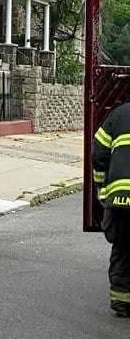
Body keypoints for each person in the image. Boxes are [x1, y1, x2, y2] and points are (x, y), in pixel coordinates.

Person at [92, 101, 130, 317]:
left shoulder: (118, 115)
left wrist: (102, 190)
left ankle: (121, 303)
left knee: (122, 249)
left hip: (120, 202)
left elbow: (98, 155)